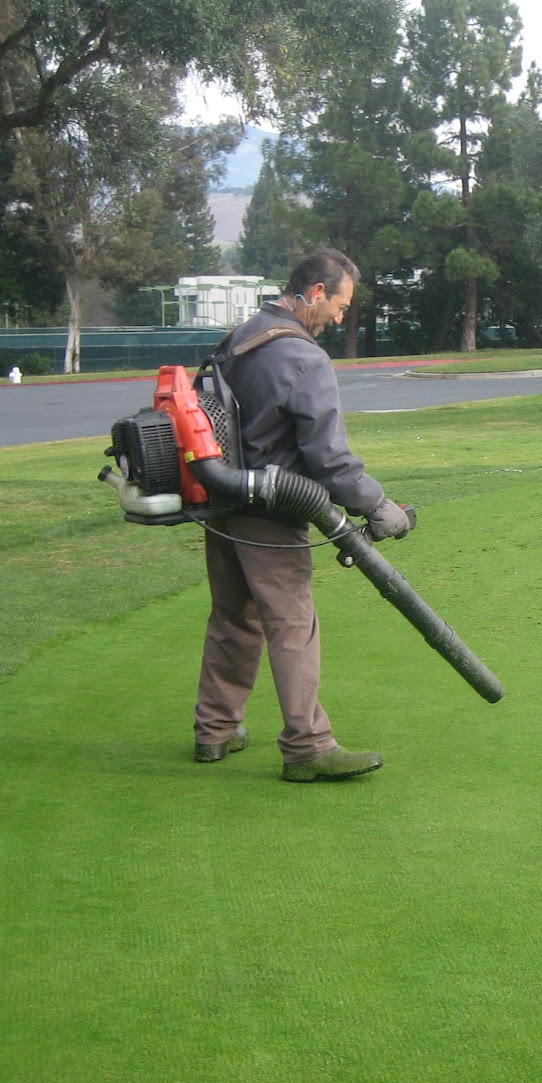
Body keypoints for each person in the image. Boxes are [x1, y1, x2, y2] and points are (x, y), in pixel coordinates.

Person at [192, 248, 411, 782]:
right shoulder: (305, 359)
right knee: (292, 626)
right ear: (315, 293)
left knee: (232, 617)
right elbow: (331, 461)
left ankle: (215, 732)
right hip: (270, 513)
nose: (341, 317)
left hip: (221, 501)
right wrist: (380, 508)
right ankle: (308, 746)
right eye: (340, 305)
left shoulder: (241, 336)